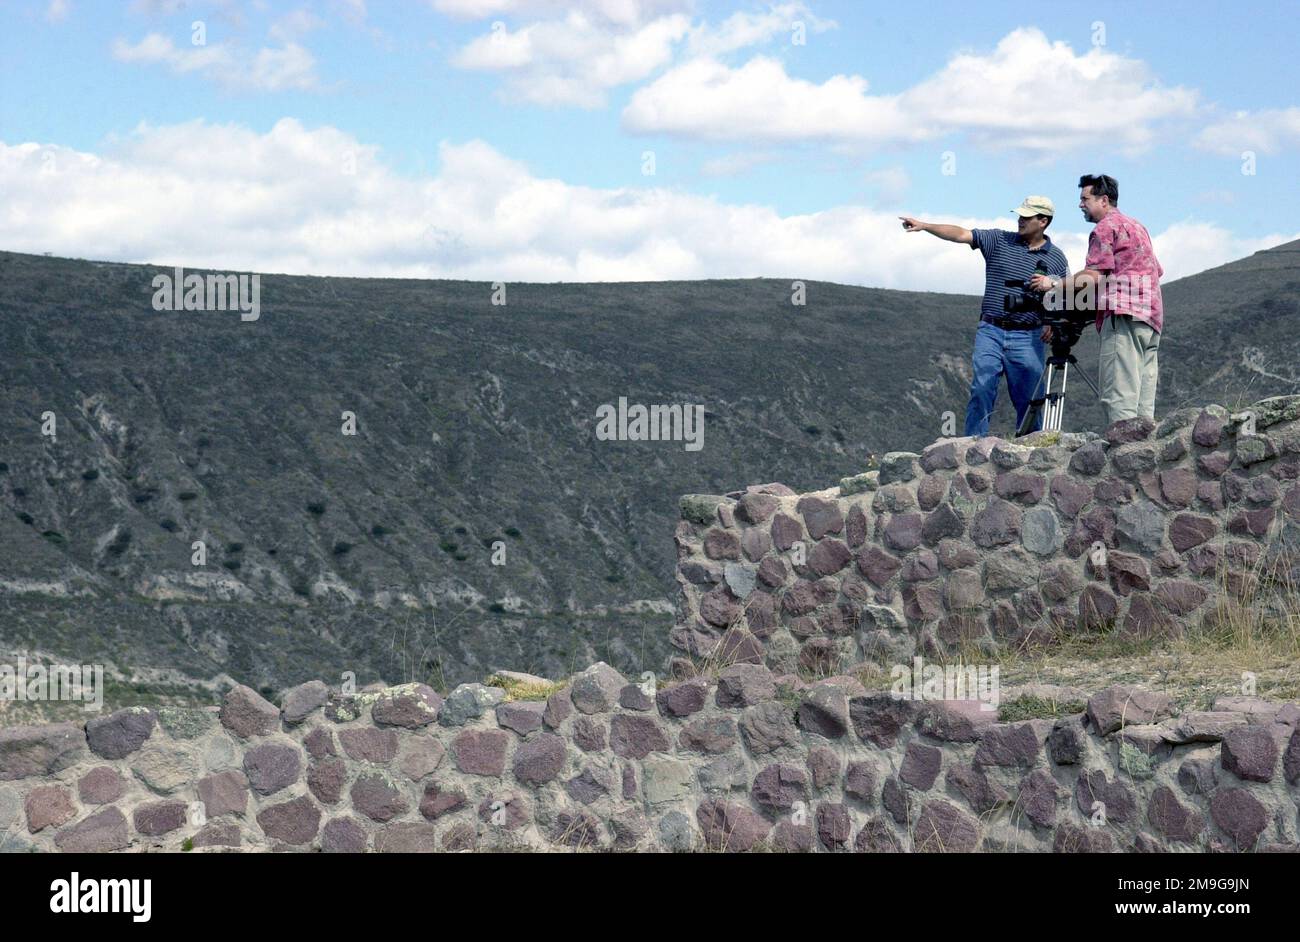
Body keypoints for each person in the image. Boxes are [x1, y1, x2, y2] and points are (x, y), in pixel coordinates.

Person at [901, 196, 1070, 437]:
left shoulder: (1056, 258)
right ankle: (972, 447)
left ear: (1043, 221)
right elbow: (961, 234)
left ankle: (1032, 448)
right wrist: (926, 226)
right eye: (1019, 216)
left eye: (1026, 217)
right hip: (991, 329)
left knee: (1031, 396)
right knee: (982, 387)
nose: (1020, 221)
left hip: (1028, 335)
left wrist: (1056, 320)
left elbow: (1066, 293)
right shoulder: (999, 239)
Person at [1031, 174, 1163, 424]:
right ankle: (1144, 451)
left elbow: (1092, 276)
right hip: (1151, 318)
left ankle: (1123, 456)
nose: (1080, 204)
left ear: (1104, 200)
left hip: (1123, 316)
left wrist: (1054, 285)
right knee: (1143, 405)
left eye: (1085, 199)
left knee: (1120, 398)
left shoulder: (1104, 228)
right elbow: (1156, 270)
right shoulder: (1137, 227)